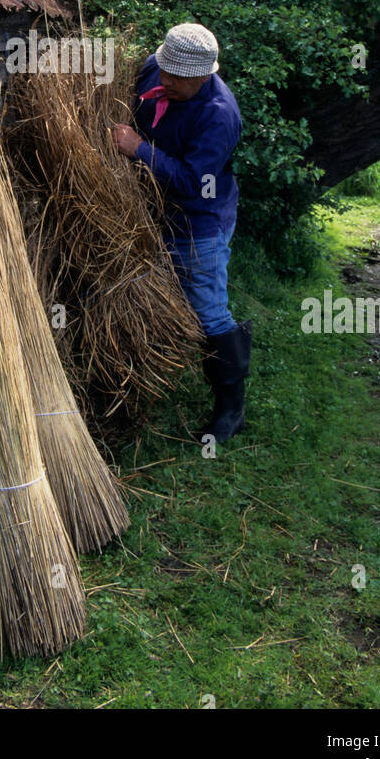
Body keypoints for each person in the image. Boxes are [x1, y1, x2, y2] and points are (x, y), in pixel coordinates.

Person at [111, 22, 251, 444]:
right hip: (151, 206)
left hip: (199, 219)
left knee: (208, 310)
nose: (164, 80)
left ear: (203, 77)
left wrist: (139, 149)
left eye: (176, 79)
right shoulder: (159, 66)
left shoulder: (219, 116)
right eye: (163, 71)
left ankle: (232, 409)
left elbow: (194, 182)